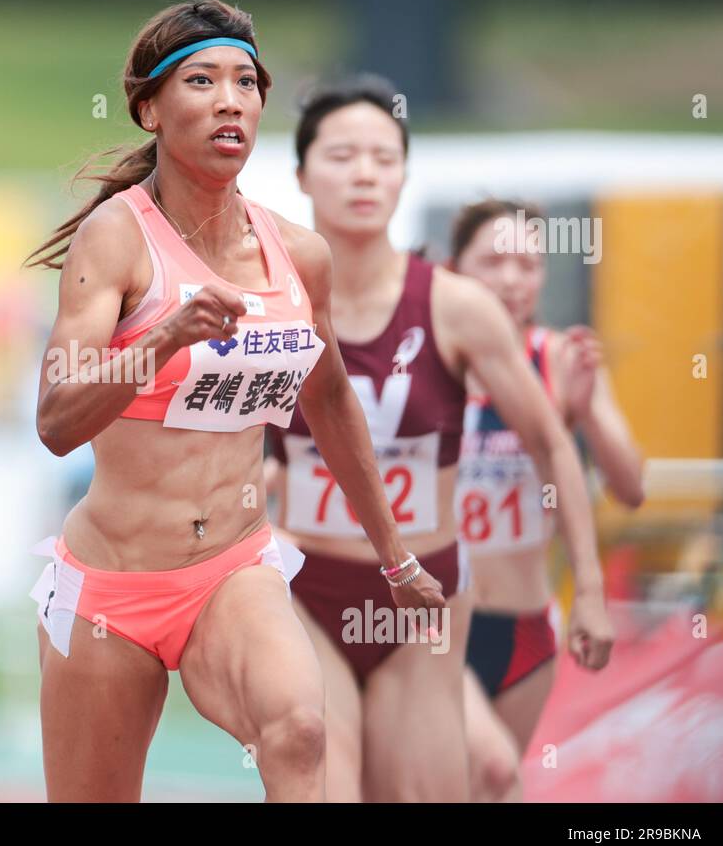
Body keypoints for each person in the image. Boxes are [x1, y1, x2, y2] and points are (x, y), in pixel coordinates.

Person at [24, 0, 442, 802]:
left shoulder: (300, 254)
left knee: (300, 731)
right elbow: (55, 420)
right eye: (202, 80)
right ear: (149, 107)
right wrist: (165, 336)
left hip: (231, 568)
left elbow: (332, 402)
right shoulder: (116, 238)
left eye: (246, 83)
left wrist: (397, 556)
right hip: (112, 585)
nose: (230, 100)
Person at [263, 76, 615, 801]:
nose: (365, 173)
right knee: (322, 782)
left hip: (422, 599)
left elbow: (553, 446)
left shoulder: (458, 309)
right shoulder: (265, 303)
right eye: (342, 155)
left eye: (384, 157)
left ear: (404, 175)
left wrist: (591, 591)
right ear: (300, 173)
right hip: (307, 591)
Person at [449, 198, 643, 801]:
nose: (511, 279)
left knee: (492, 786)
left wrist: (583, 408)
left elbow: (632, 487)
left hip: (527, 627)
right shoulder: (429, 358)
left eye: (528, 265)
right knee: (490, 773)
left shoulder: (560, 357)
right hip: (437, 626)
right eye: (494, 261)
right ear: (456, 270)